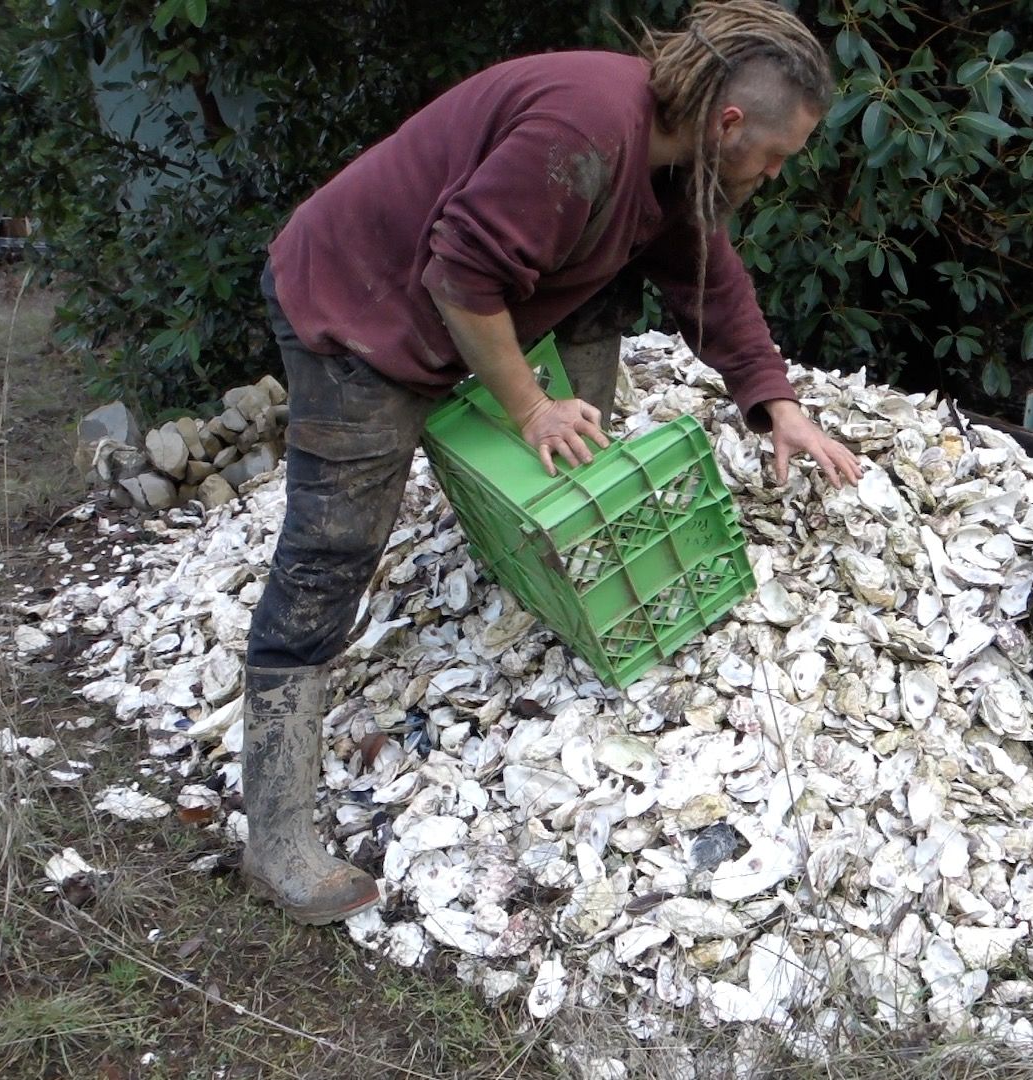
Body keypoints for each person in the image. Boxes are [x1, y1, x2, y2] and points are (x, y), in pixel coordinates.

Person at [242, 0, 861, 923]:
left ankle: (555, 543)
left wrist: (773, 399)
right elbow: (459, 274)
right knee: (329, 555)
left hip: (450, 306)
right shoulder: (584, 129)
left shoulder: (673, 158)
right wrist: (528, 406)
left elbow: (707, 275)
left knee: (600, 291)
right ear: (729, 123)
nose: (774, 175)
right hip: (356, 312)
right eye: (776, 156)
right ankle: (277, 838)